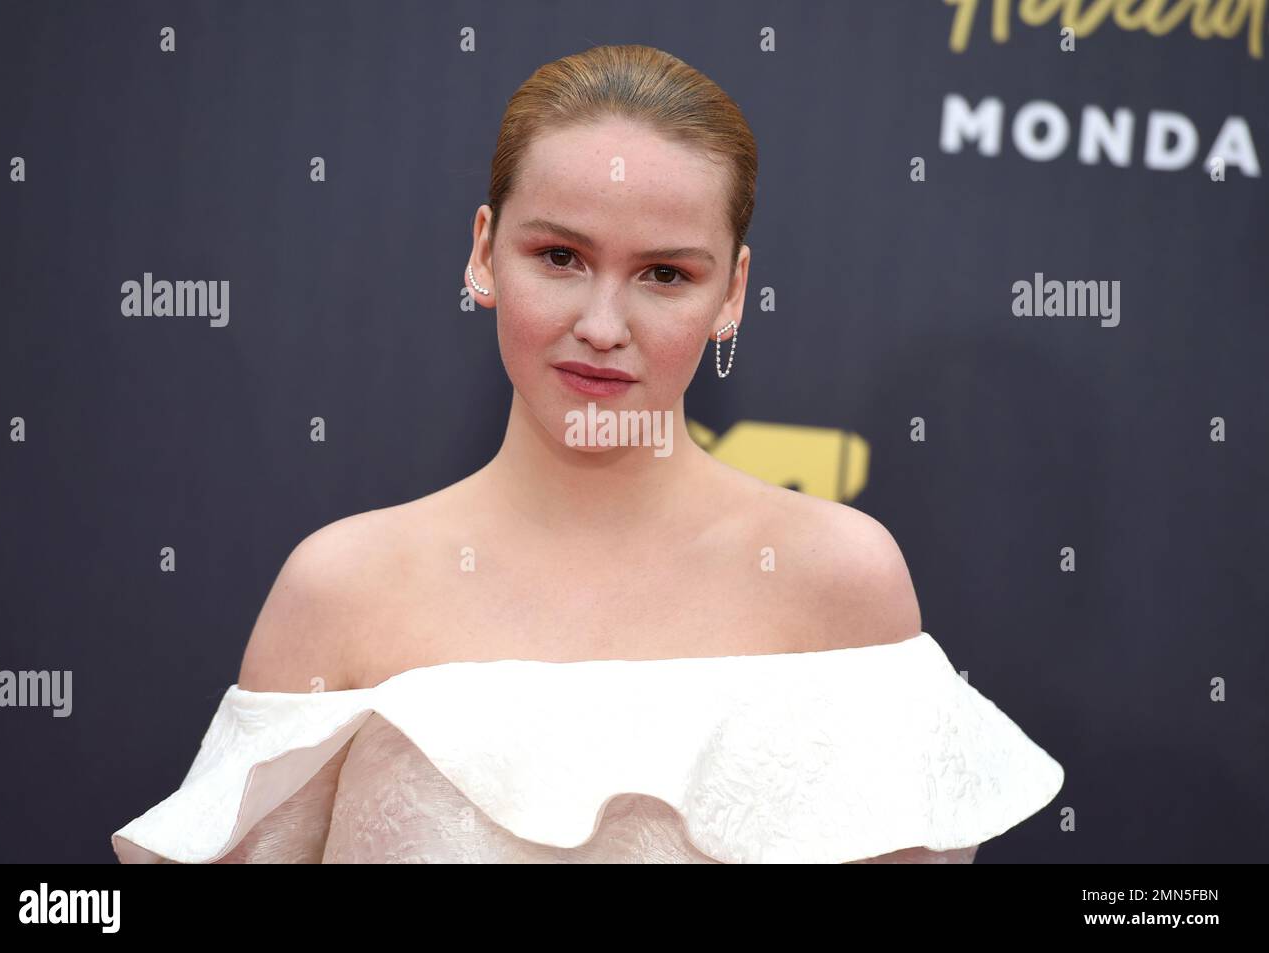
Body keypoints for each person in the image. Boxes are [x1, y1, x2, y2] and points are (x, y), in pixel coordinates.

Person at [111, 43, 1064, 864]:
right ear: (485, 253)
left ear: (733, 292)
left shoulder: (839, 580)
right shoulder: (342, 589)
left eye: (664, 274)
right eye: (560, 257)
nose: (602, 325)